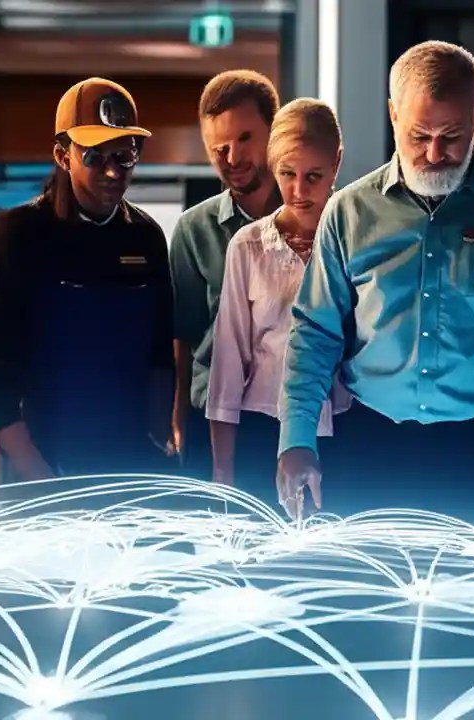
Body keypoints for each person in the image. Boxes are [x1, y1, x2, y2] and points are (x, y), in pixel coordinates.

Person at [276, 41, 474, 529]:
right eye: (419, 136)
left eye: (452, 135)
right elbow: (314, 333)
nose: (435, 153)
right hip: (372, 445)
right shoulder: (349, 213)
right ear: (393, 115)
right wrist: (297, 439)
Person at [0, 77, 174, 481]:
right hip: (40, 457)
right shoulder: (17, 237)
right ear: (63, 156)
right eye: (95, 157)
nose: (113, 171)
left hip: (126, 458)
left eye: (125, 156)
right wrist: (32, 467)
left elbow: (159, 356)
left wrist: (157, 439)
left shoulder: (145, 238)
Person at [206, 99, 352, 488]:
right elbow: (228, 363)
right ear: (272, 163)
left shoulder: (356, 241)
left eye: (314, 176)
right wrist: (223, 472)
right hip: (262, 428)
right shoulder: (248, 246)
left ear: (336, 163)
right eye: (287, 173)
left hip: (345, 430)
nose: (298, 190)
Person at [170, 71, 284, 479]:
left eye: (245, 139)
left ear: (274, 130)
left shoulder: (318, 218)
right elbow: (184, 339)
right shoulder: (192, 230)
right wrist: (178, 420)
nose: (233, 158)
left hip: (290, 416)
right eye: (219, 148)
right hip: (211, 417)